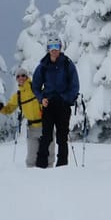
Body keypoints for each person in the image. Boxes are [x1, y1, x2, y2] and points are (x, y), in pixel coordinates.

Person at [0, 69, 54, 168]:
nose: (21, 78)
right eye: (18, 76)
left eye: (23, 75)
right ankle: (30, 180)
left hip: (46, 126)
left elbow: (50, 96)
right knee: (31, 159)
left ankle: (51, 177)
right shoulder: (18, 96)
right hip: (32, 129)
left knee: (49, 157)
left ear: (27, 77)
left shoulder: (36, 89)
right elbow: (8, 109)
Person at [31, 36, 80, 168]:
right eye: (51, 47)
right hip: (49, 105)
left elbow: (75, 85)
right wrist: (42, 98)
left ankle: (62, 165)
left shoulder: (67, 64)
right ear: (47, 49)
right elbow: (35, 86)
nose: (54, 50)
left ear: (60, 48)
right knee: (46, 136)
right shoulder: (43, 66)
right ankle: (41, 165)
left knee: (62, 137)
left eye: (56, 47)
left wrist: (67, 99)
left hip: (63, 105)